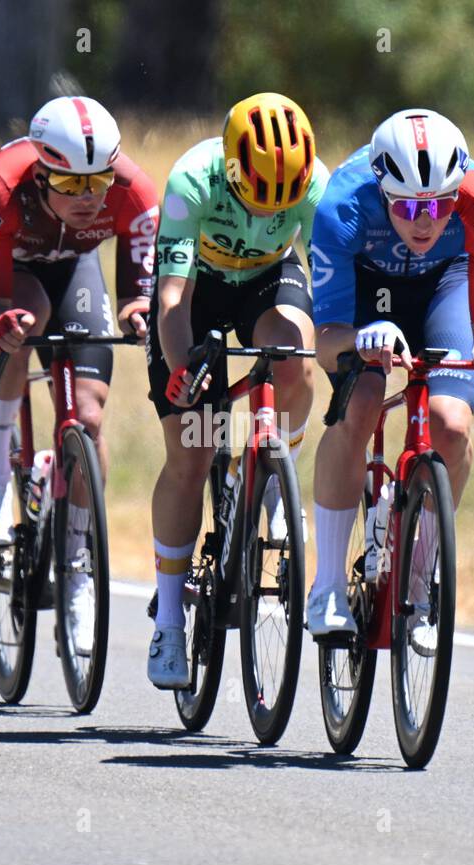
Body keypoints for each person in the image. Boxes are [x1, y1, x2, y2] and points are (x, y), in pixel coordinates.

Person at [0, 94, 158, 654]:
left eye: (98, 183)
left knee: (87, 416)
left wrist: (140, 310)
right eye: (69, 186)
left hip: (73, 266)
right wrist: (4, 324)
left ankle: (79, 568)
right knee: (26, 313)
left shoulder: (134, 193)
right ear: (40, 174)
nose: (88, 199)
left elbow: (141, 292)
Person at [306, 108, 474, 645]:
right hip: (366, 288)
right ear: (382, 190)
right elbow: (326, 340)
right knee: (361, 401)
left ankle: (422, 577)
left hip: (442, 286)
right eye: (406, 207)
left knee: (450, 425)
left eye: (439, 205)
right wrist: (359, 340)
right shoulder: (343, 206)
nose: (424, 221)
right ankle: (329, 584)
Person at [144, 92, 329, 688]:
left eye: (283, 198)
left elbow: (331, 288)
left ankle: (274, 471)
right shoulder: (190, 181)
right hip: (196, 290)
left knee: (296, 357)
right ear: (230, 170)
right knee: (193, 449)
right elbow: (172, 298)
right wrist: (184, 373)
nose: (268, 209)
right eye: (256, 195)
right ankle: (169, 621)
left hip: (266, 282)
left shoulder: (315, 185)